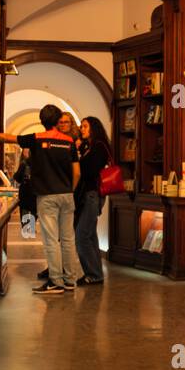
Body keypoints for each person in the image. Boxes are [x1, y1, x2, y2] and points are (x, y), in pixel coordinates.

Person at [0, 104, 81, 294]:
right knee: (68, 239)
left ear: (42, 121)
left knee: (51, 240)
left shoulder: (36, 138)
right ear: (58, 120)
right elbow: (77, 172)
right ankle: (70, 280)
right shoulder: (69, 142)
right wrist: (70, 190)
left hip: (47, 196)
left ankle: (55, 282)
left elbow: (6, 138)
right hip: (67, 195)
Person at [73, 116, 112, 285]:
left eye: (85, 126)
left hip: (92, 195)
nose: (82, 129)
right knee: (91, 236)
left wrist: (79, 156)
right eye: (81, 126)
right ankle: (96, 273)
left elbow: (89, 171)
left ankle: (93, 274)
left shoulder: (99, 147)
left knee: (81, 236)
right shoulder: (90, 146)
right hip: (89, 195)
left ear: (94, 128)